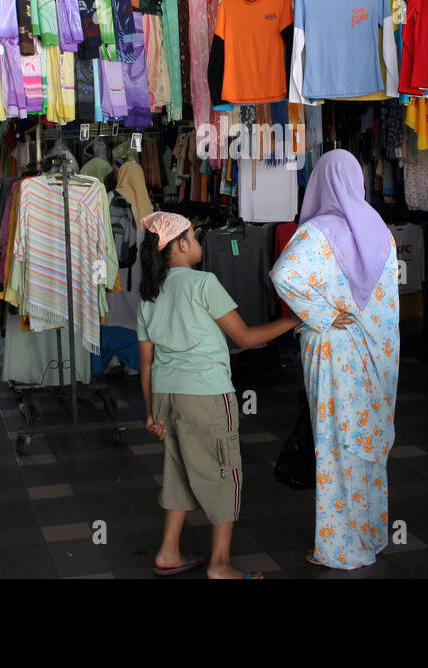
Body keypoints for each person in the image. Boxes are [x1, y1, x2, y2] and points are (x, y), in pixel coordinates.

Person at [136, 210, 301, 580]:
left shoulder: (150, 292)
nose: (197, 243)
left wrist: (150, 414)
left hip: (166, 394)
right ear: (179, 245)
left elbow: (145, 361)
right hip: (206, 395)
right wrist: (294, 319)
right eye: (193, 237)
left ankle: (168, 552)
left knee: (178, 469)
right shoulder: (204, 283)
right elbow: (245, 338)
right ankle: (220, 564)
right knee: (224, 473)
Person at [270, 149, 400, 569]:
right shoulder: (378, 229)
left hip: (334, 353)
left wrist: (322, 315)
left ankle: (341, 547)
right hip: (376, 355)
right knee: (369, 446)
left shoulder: (316, 232)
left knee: (336, 447)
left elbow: (283, 275)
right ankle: (371, 534)